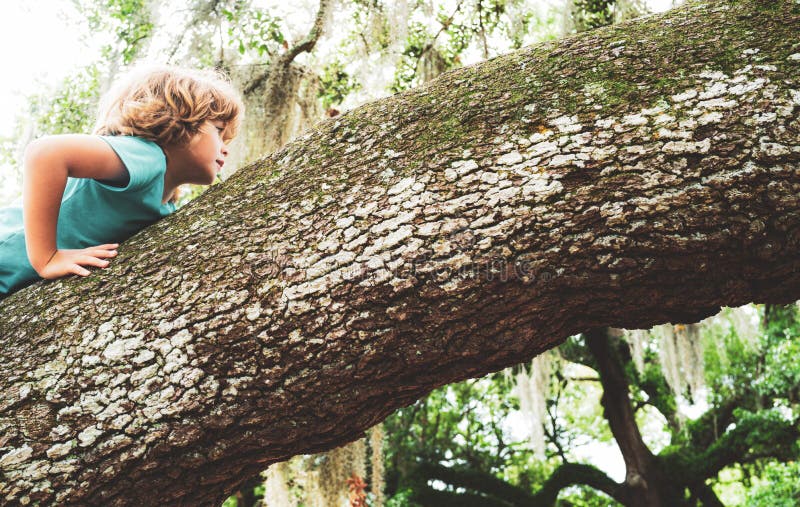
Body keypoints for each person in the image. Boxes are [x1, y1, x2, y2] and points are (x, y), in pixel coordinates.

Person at [0, 65, 244, 299]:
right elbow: (45, 153)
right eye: (219, 130)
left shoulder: (167, 205)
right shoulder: (146, 157)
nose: (225, 149)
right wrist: (47, 257)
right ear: (178, 121)